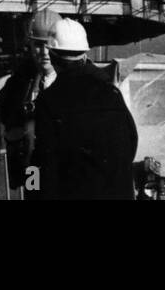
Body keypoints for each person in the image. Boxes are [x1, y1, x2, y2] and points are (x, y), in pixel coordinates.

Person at [33, 18, 138, 200]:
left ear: (53, 56)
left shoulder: (49, 101)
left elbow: (47, 161)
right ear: (83, 54)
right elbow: (131, 141)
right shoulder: (111, 93)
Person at [0, 9, 60, 197]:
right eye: (38, 45)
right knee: (34, 194)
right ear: (30, 45)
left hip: (61, 172)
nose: (44, 52)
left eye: (49, 45)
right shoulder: (20, 82)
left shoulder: (73, 81)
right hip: (33, 168)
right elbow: (1, 115)